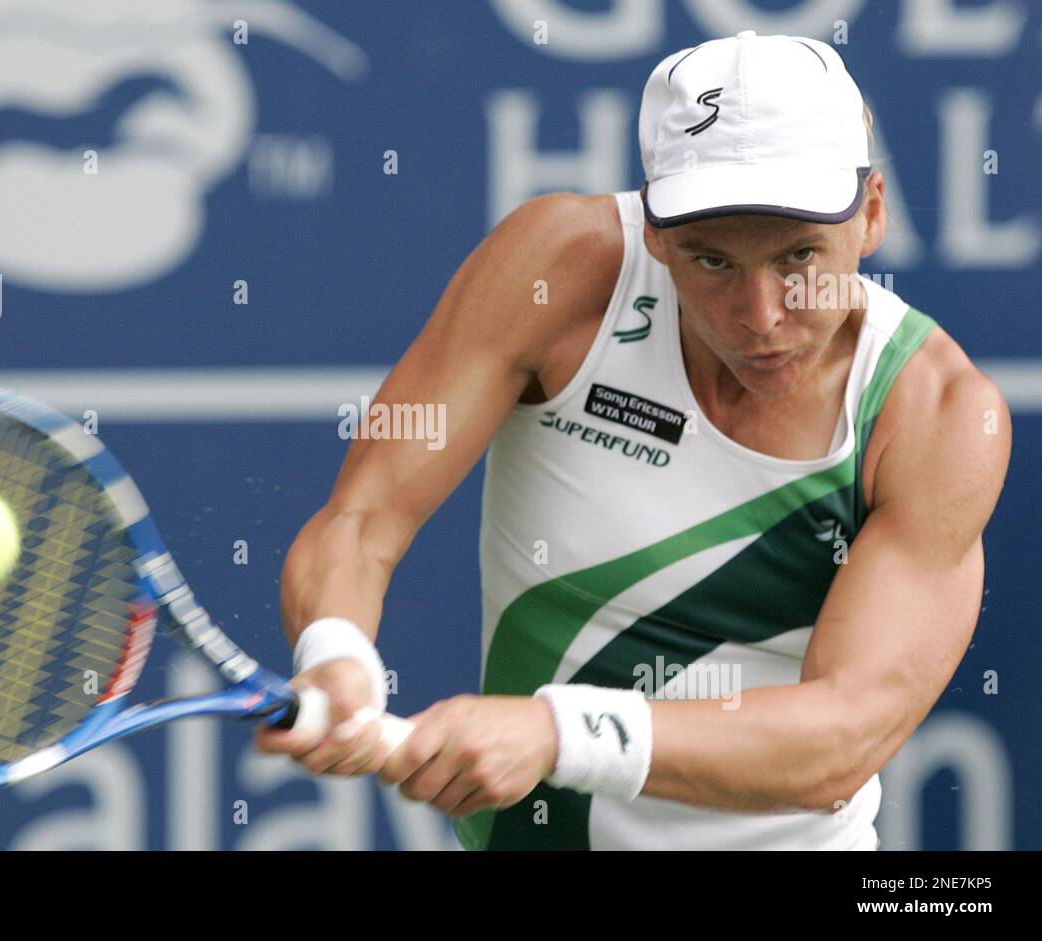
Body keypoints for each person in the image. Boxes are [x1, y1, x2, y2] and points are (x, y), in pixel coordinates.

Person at [256, 31, 1012, 849]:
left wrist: (558, 735)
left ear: (870, 214)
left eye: (799, 256)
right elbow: (361, 522)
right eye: (713, 262)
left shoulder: (935, 415)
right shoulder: (558, 272)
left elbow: (842, 735)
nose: (761, 315)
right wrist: (338, 652)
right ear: (655, 229)